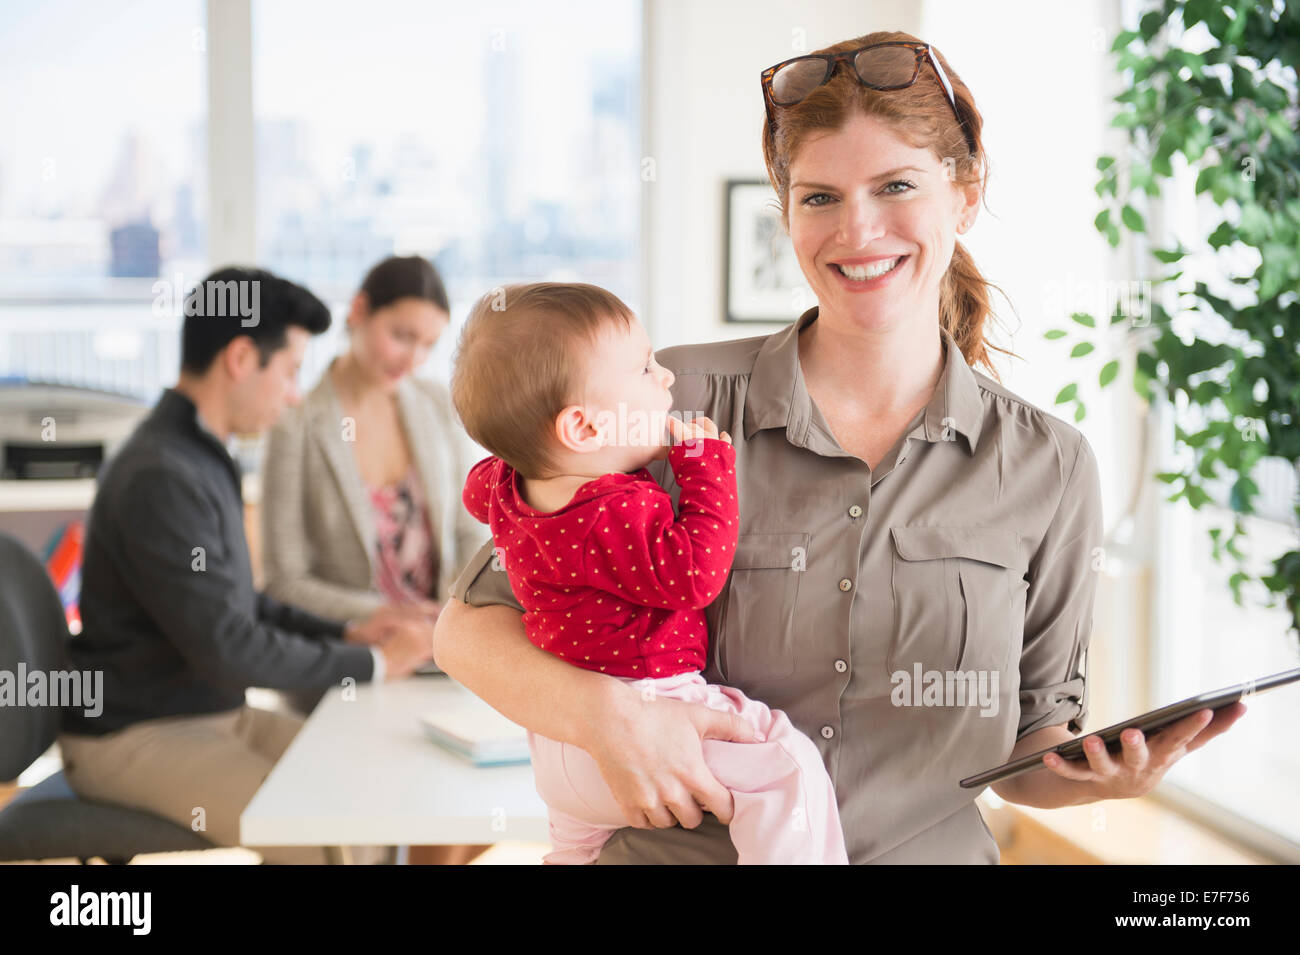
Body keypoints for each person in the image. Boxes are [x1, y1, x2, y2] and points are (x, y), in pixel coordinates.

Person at [432, 30, 1246, 864]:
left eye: (895, 185)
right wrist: (611, 719)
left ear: (965, 193)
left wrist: (1099, 778)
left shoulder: (1050, 464)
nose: (857, 231)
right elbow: (464, 630)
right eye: (819, 197)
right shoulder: (672, 405)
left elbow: (1029, 750)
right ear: (785, 208)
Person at [451, 282, 848, 864]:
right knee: (785, 764)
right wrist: (708, 468)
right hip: (650, 713)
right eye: (643, 369)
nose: (665, 377)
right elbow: (693, 574)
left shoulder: (505, 487)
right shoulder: (614, 511)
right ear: (583, 430)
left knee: (574, 853)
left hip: (561, 756)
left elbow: (475, 485)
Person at [58, 267, 435, 864]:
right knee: (318, 839)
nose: (292, 394)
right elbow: (227, 646)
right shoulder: (162, 474)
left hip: (211, 715)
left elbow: (238, 599)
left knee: (370, 794)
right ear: (240, 358)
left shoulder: (202, 454)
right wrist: (372, 662)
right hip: (135, 736)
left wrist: (345, 632)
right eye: (288, 371)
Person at [260, 255, 492, 865]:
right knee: (378, 805)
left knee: (475, 792)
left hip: (442, 652)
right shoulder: (296, 425)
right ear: (358, 312)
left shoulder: (434, 404)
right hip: (356, 661)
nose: (410, 357)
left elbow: (471, 531)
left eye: (427, 344)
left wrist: (456, 607)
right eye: (401, 335)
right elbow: (284, 578)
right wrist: (388, 616)